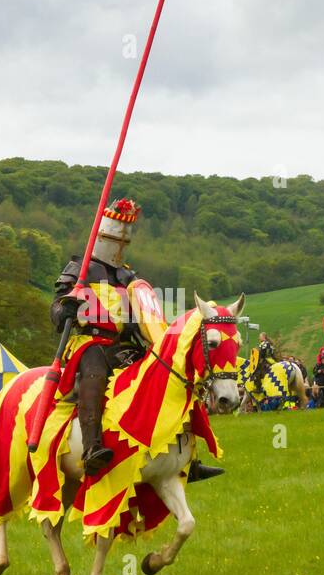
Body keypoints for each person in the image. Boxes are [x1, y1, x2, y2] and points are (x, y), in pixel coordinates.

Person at [51, 197, 222, 482]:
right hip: (90, 343)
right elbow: (56, 306)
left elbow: (142, 311)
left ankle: (188, 457)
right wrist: (64, 309)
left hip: (125, 344)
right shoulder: (79, 269)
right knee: (94, 378)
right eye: (114, 240)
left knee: (169, 380)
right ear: (102, 236)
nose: (118, 248)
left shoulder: (128, 276)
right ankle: (92, 448)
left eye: (123, 243)